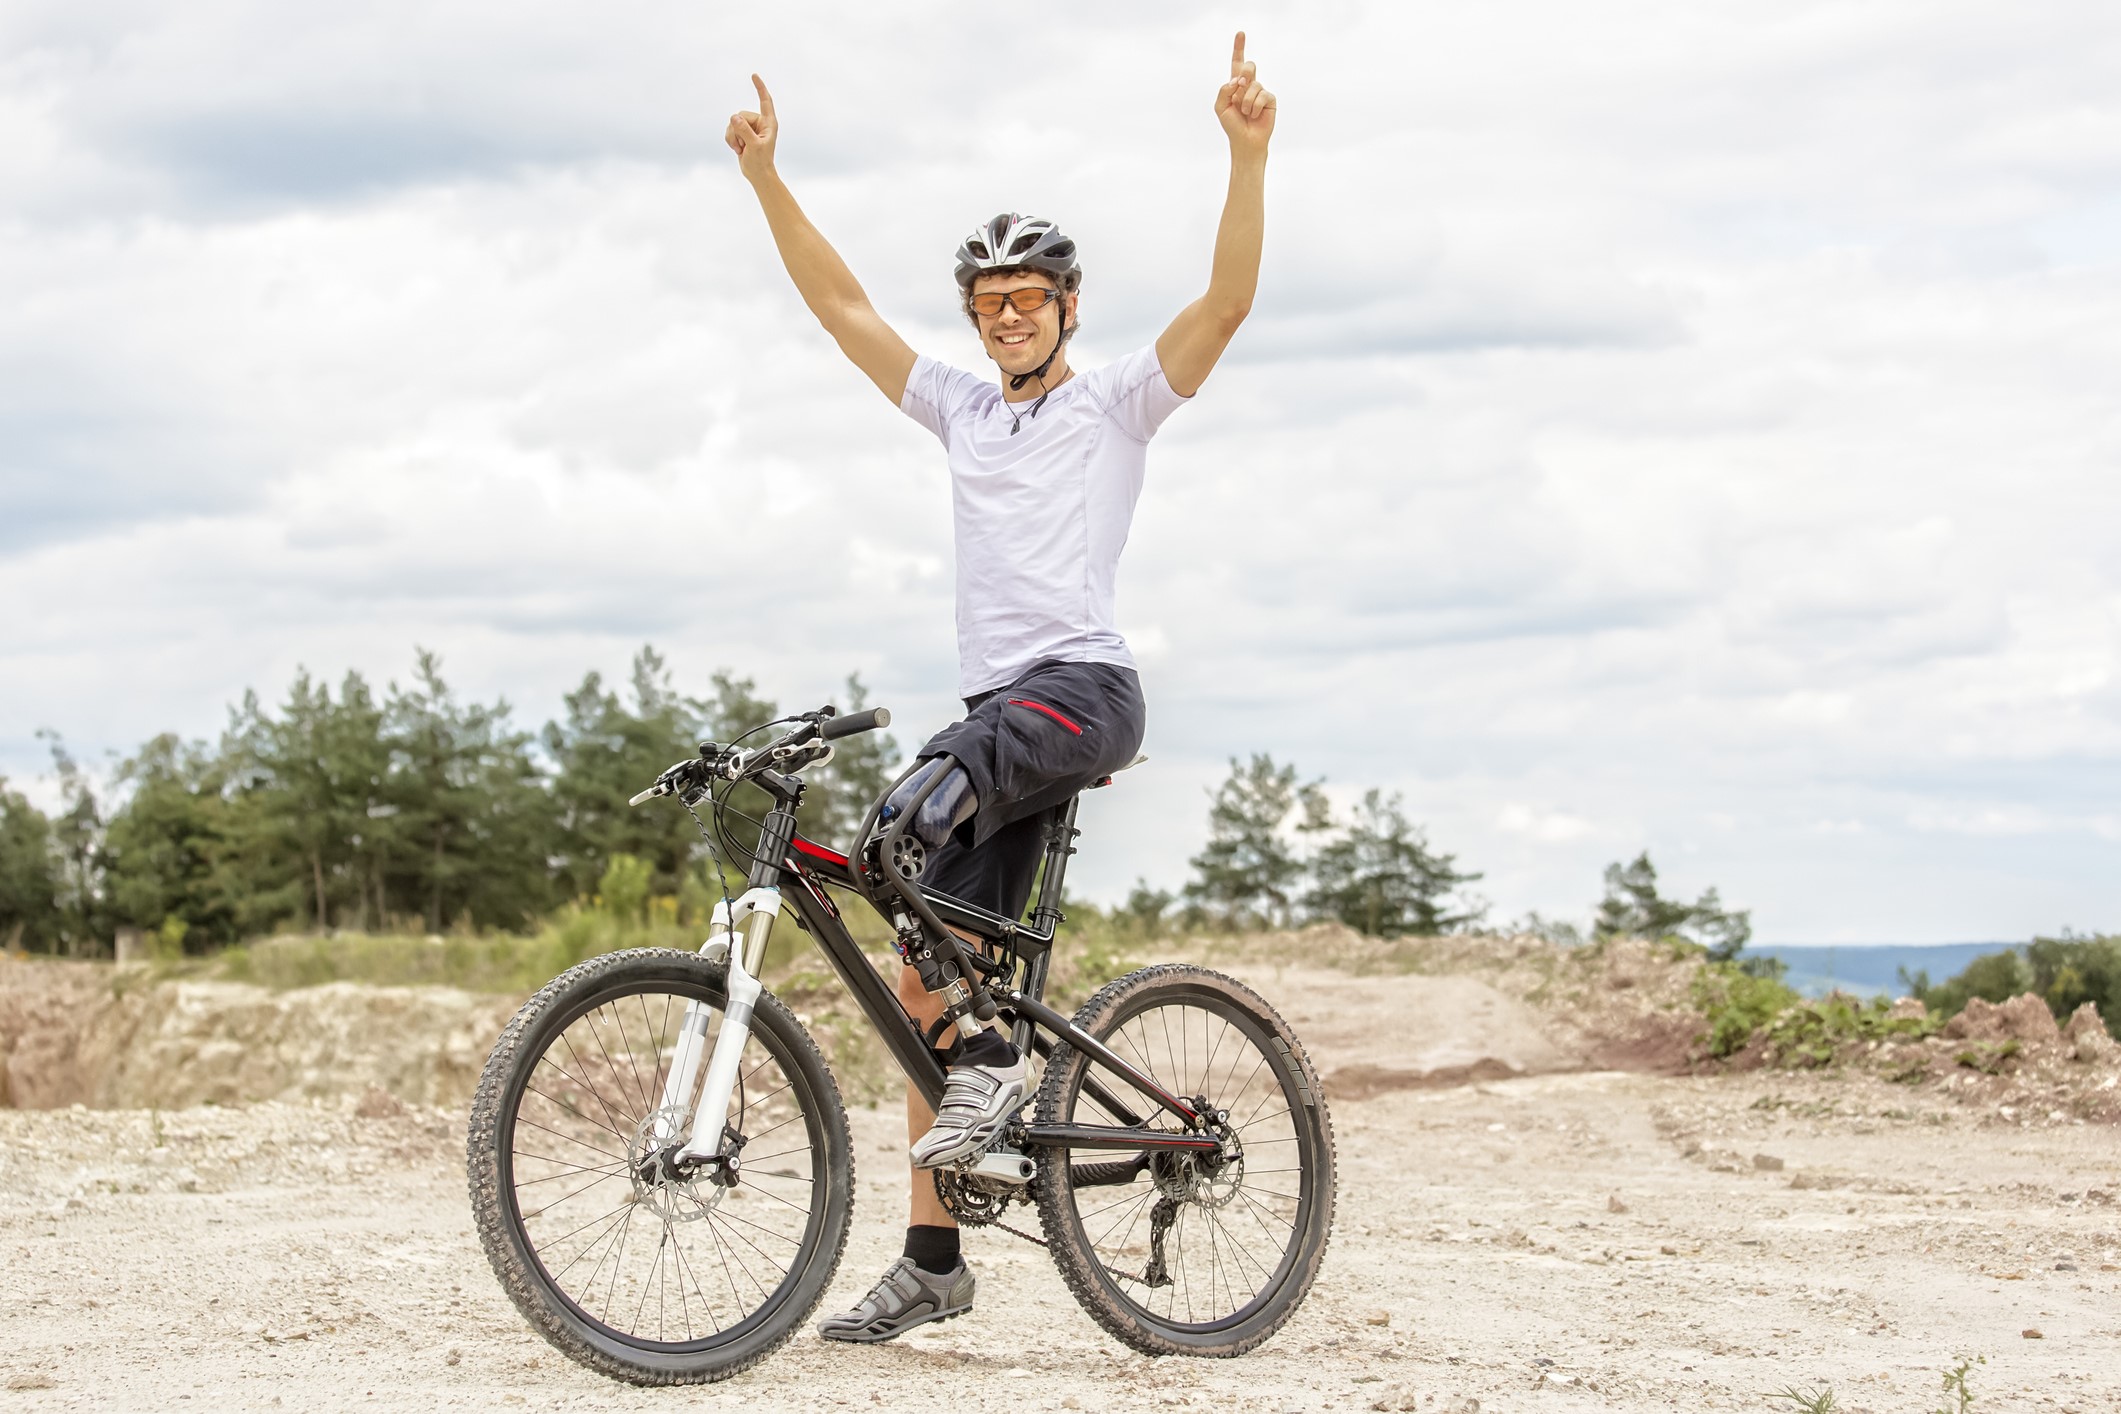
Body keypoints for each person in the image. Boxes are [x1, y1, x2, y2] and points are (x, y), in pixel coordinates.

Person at [723, 32, 1276, 1343]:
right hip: (998, 723)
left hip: (1080, 690)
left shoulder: (1117, 408)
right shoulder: (966, 412)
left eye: (1027, 298)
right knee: (926, 983)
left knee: (907, 821)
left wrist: (1247, 156)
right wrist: (766, 182)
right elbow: (844, 312)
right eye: (989, 303)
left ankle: (994, 1061)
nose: (1006, 316)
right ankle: (932, 1256)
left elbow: (1227, 305)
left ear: (1066, 307)